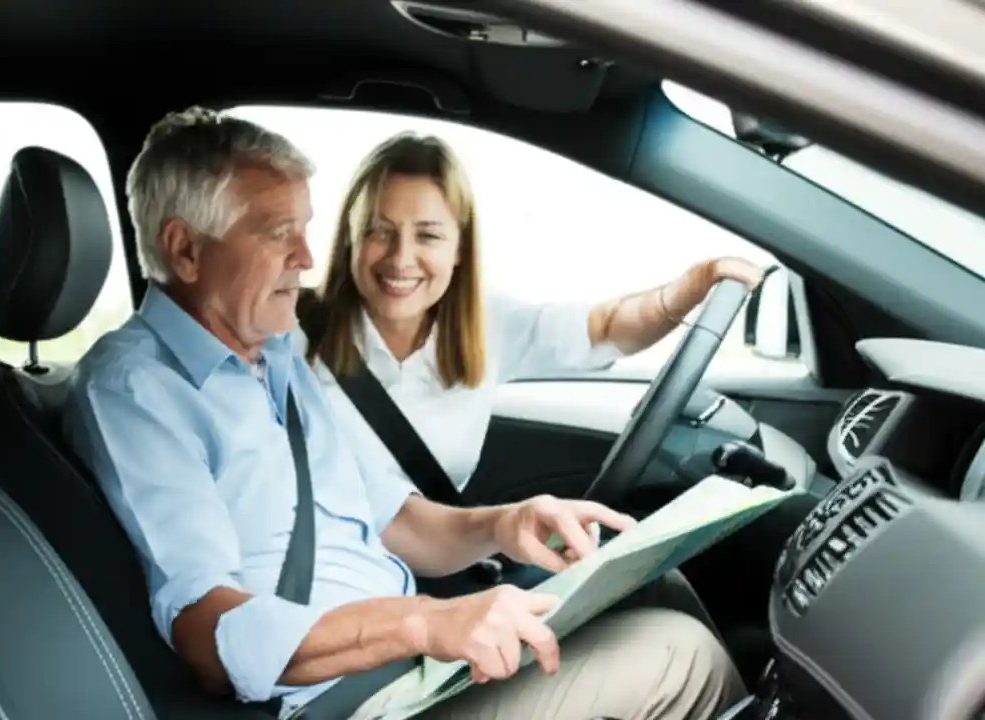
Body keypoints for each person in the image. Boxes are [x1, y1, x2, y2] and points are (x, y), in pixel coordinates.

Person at [63, 107, 747, 720]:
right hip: (347, 696)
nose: (306, 258)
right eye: (279, 235)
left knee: (657, 592)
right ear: (185, 249)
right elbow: (208, 634)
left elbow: (396, 520)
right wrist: (423, 624)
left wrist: (508, 522)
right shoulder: (137, 389)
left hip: (408, 665)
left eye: (305, 232)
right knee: (679, 658)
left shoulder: (274, 359)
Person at [296, 132, 766, 609]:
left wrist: (691, 287)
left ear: (460, 247)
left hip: (441, 568)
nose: (400, 258)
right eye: (379, 230)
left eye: (428, 235)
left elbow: (604, 328)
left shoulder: (486, 326)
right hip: (349, 591)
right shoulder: (289, 339)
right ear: (351, 236)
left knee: (660, 589)